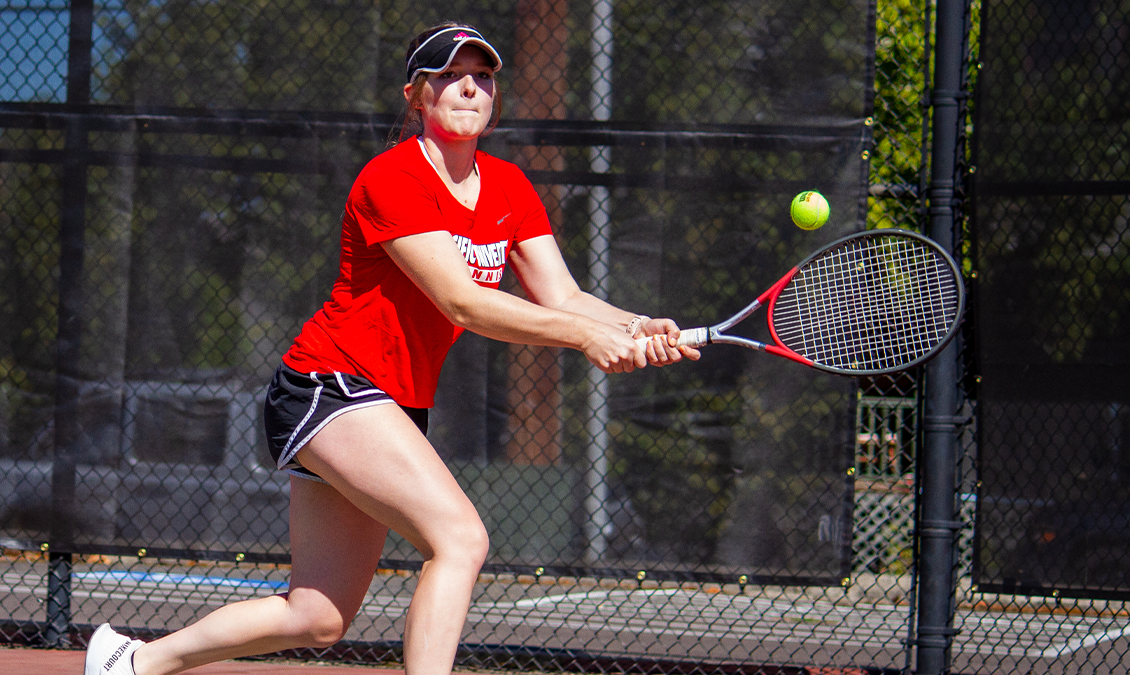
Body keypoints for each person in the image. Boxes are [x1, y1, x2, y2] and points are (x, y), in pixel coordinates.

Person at [84, 21, 699, 675]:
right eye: (448, 75)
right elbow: (462, 301)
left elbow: (566, 297)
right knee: (460, 538)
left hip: (393, 404)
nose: (469, 85)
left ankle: (130, 662)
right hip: (330, 385)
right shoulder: (393, 177)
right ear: (417, 96)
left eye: (483, 75)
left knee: (316, 617)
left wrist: (637, 326)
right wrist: (586, 338)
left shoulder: (511, 188)